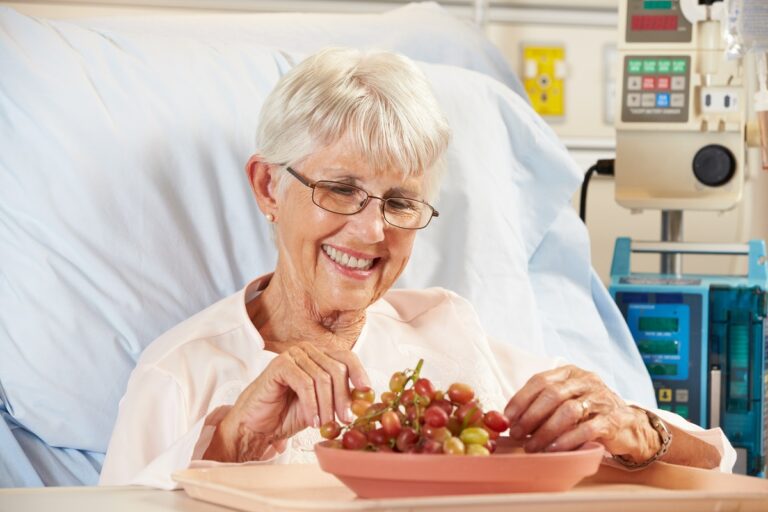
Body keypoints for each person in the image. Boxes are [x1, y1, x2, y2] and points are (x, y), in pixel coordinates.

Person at [99, 48, 734, 489]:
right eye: (341, 189)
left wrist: (637, 429)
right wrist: (233, 441)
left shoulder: (445, 330)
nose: (372, 231)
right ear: (268, 187)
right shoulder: (179, 374)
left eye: (400, 202)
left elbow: (714, 463)